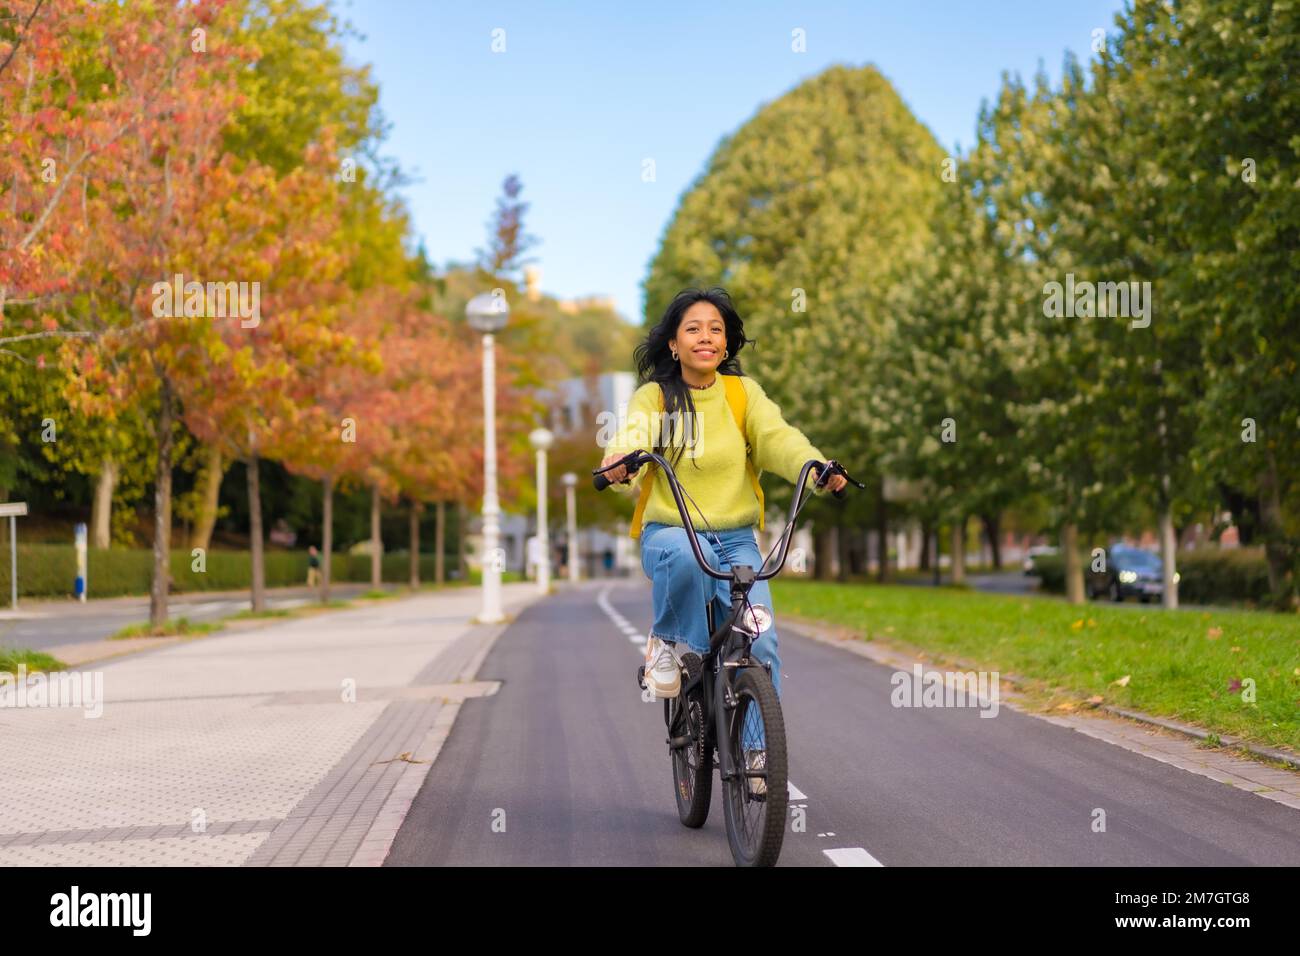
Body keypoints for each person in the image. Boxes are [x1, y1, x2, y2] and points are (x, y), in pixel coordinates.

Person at [598, 287, 846, 705]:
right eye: (693, 329)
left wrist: (815, 466)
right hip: (670, 535)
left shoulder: (742, 394)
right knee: (689, 557)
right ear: (674, 345)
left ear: (726, 342)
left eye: (716, 329)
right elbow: (633, 434)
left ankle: (756, 758)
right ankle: (670, 645)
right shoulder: (655, 397)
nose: (706, 337)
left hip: (736, 540)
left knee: (760, 642)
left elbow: (777, 438)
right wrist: (621, 460)